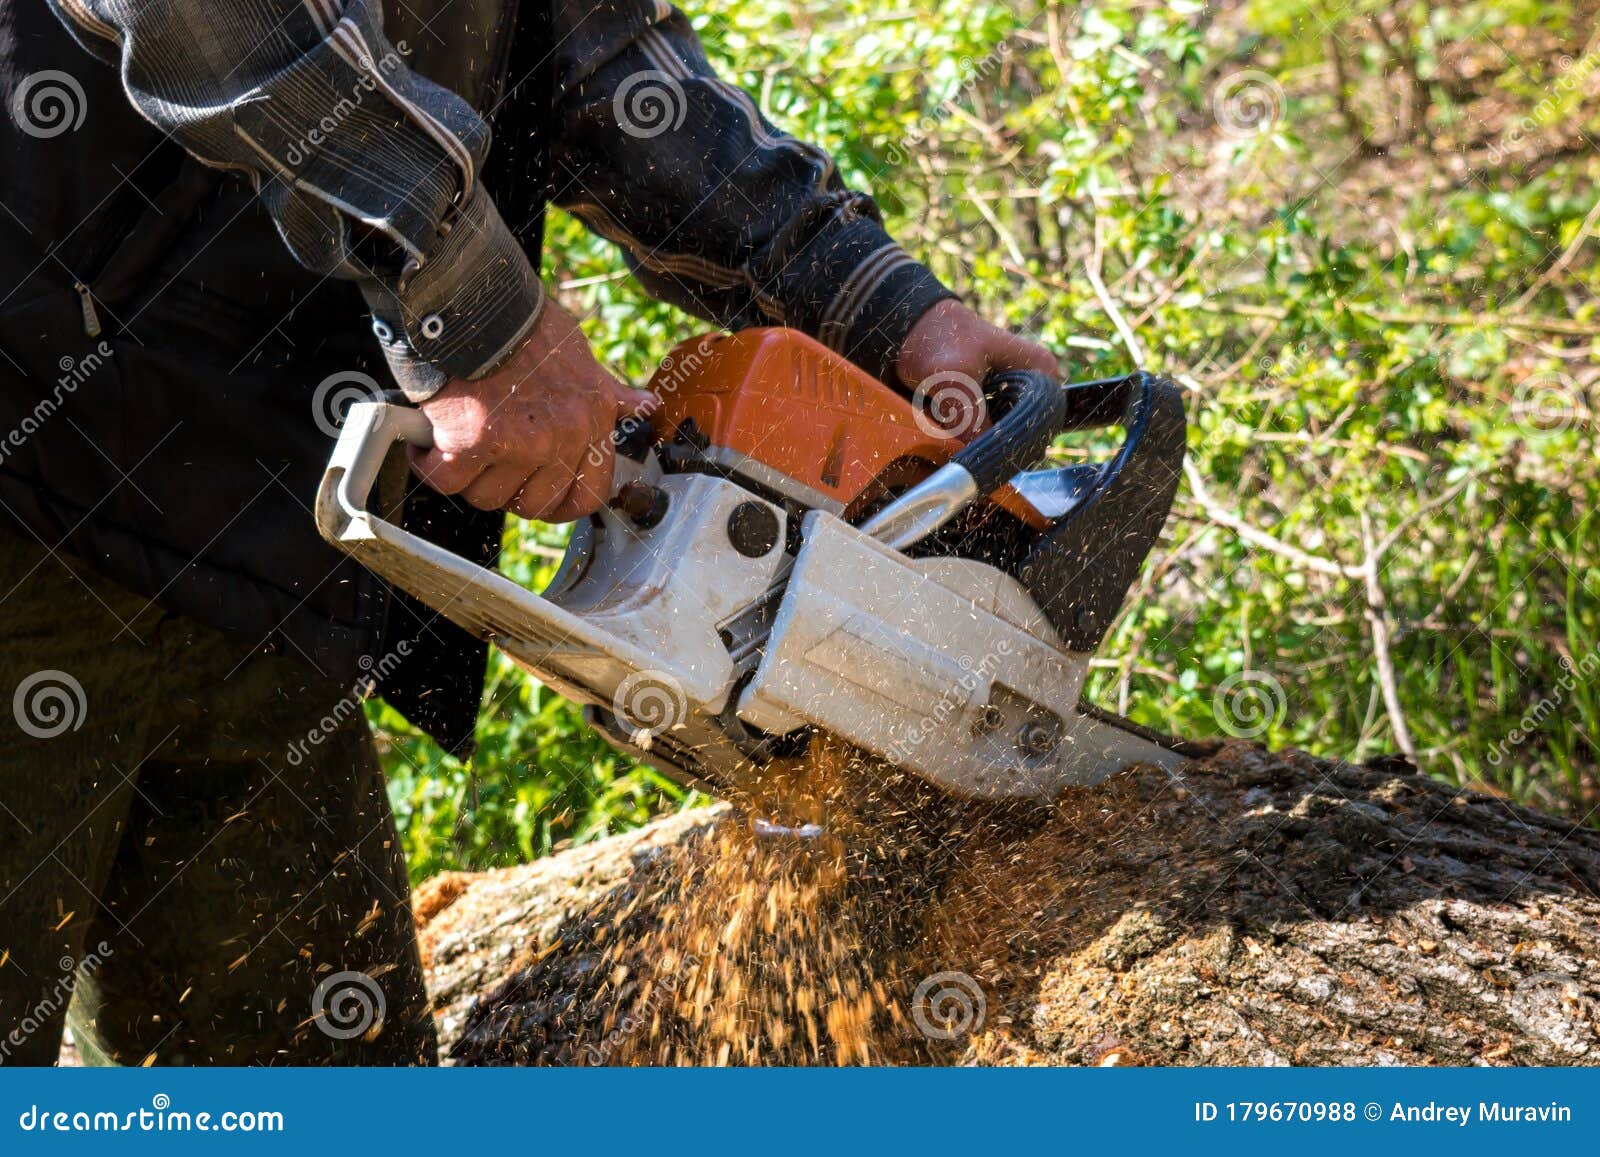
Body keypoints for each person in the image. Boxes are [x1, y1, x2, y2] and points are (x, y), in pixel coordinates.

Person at [0, 0, 1059, 1065]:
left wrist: (880, 301)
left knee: (319, 1081)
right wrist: (479, 313)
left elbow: (591, 54)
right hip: (31, 469)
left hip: (244, 521)